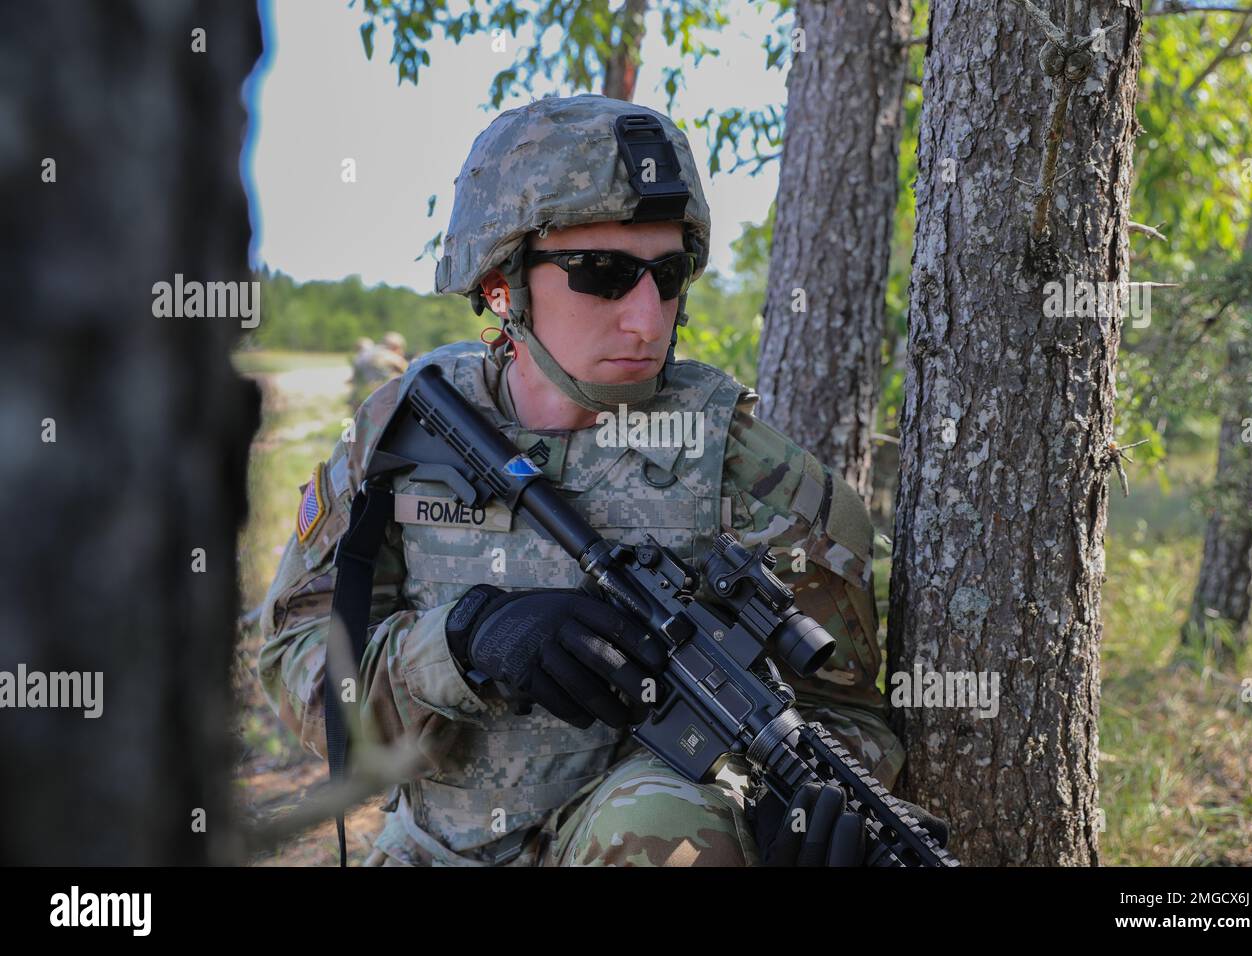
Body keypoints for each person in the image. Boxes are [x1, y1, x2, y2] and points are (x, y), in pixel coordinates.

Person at [258, 94, 943, 867]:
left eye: (669, 273)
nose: (648, 319)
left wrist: (783, 818)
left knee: (667, 825)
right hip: (429, 850)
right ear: (500, 282)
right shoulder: (407, 430)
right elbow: (297, 663)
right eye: (603, 273)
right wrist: (463, 643)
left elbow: (847, 720)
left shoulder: (756, 475)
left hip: (624, 845)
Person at [349, 331, 408, 407]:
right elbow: (406, 369)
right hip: (380, 401)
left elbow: (354, 379)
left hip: (361, 400)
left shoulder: (362, 355)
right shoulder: (386, 353)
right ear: (396, 347)